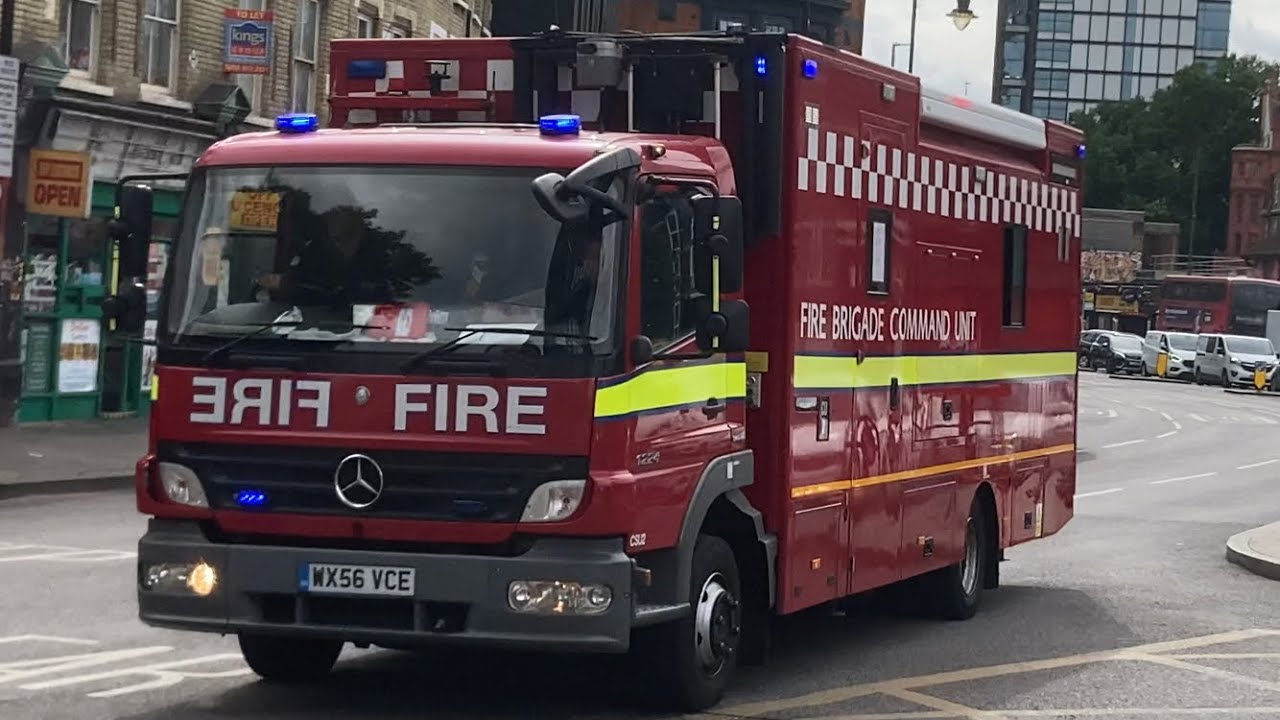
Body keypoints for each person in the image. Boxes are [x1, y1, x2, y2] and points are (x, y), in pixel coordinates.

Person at [256, 206, 369, 307]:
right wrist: (280, 283)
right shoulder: (313, 250)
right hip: (302, 321)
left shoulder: (375, 252)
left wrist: (285, 284)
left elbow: (331, 290)